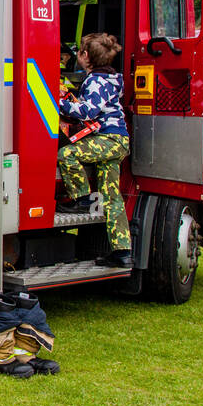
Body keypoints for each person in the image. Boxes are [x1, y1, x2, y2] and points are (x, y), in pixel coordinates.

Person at [55, 32, 132, 268]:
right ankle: (122, 252)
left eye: (79, 51)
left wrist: (58, 102)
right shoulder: (111, 79)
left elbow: (88, 112)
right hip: (118, 140)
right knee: (111, 197)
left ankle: (81, 198)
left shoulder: (95, 81)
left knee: (67, 154)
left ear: (85, 56)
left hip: (109, 139)